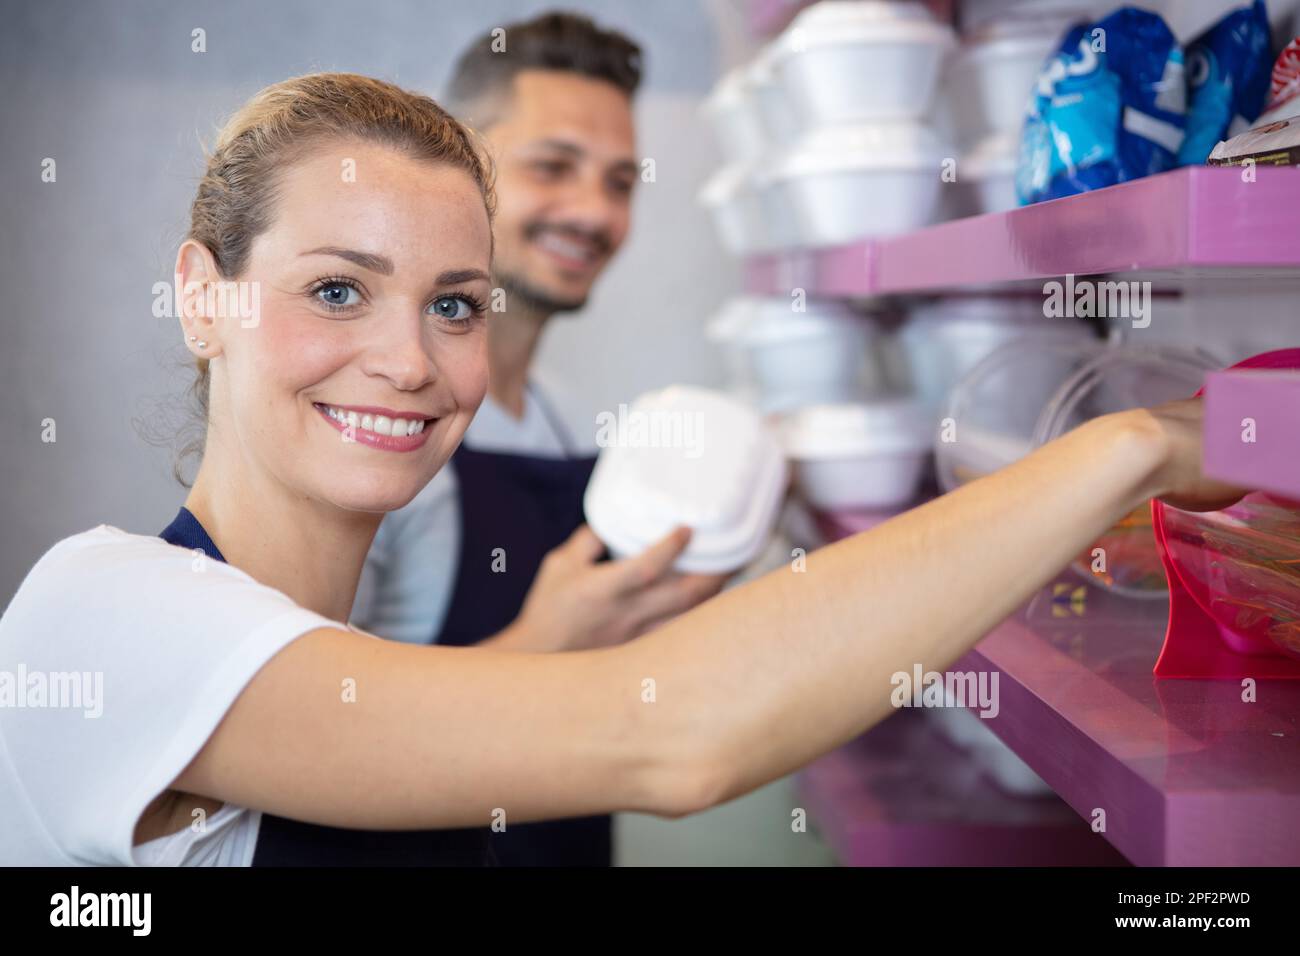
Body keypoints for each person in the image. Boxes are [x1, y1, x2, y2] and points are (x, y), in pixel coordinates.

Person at [0, 71, 1240, 867]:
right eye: (337, 289)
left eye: (454, 304)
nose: (409, 361)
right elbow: (678, 737)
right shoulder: (101, 613)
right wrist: (1135, 442)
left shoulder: (308, 663)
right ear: (198, 297)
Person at [351, 13, 723, 866]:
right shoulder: (380, 427)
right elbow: (296, 746)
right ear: (457, 170)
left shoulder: (572, 423)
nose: (594, 212)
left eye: (621, 182)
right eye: (553, 168)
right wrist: (539, 650)